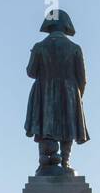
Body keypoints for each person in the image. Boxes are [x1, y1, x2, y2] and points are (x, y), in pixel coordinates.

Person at [24, 9, 88, 172]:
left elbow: (31, 72)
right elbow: (82, 78)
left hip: (45, 93)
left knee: (45, 127)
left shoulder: (39, 47)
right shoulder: (74, 48)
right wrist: (77, 96)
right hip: (69, 93)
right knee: (68, 128)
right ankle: (65, 162)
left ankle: (44, 161)